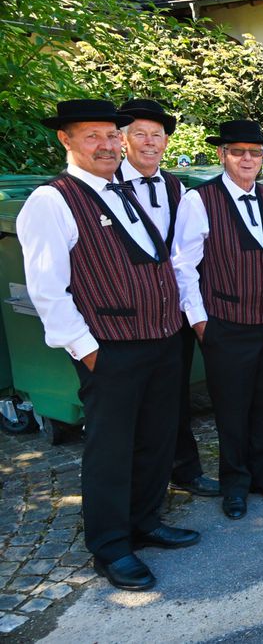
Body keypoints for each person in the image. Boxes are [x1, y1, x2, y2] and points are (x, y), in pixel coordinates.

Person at [18, 99, 199, 591]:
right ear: (66, 140)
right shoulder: (52, 200)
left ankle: (145, 521)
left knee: (156, 439)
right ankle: (111, 547)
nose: (106, 144)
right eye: (91, 135)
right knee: (111, 450)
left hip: (162, 339)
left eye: (110, 135)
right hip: (111, 348)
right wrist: (89, 350)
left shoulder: (126, 190)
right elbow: (47, 289)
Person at [173, 119, 263, 520]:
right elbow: (183, 266)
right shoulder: (199, 200)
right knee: (231, 409)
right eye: (238, 152)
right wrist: (200, 322)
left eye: (255, 152)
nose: (247, 159)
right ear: (222, 155)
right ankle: (235, 485)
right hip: (226, 324)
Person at [115, 98, 220, 499]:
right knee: (135, 408)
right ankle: (137, 488)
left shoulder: (176, 187)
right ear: (124, 140)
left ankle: (184, 470)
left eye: (156, 135)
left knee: (174, 397)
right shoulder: (108, 186)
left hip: (175, 311)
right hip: (129, 317)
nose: (149, 142)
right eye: (139, 134)